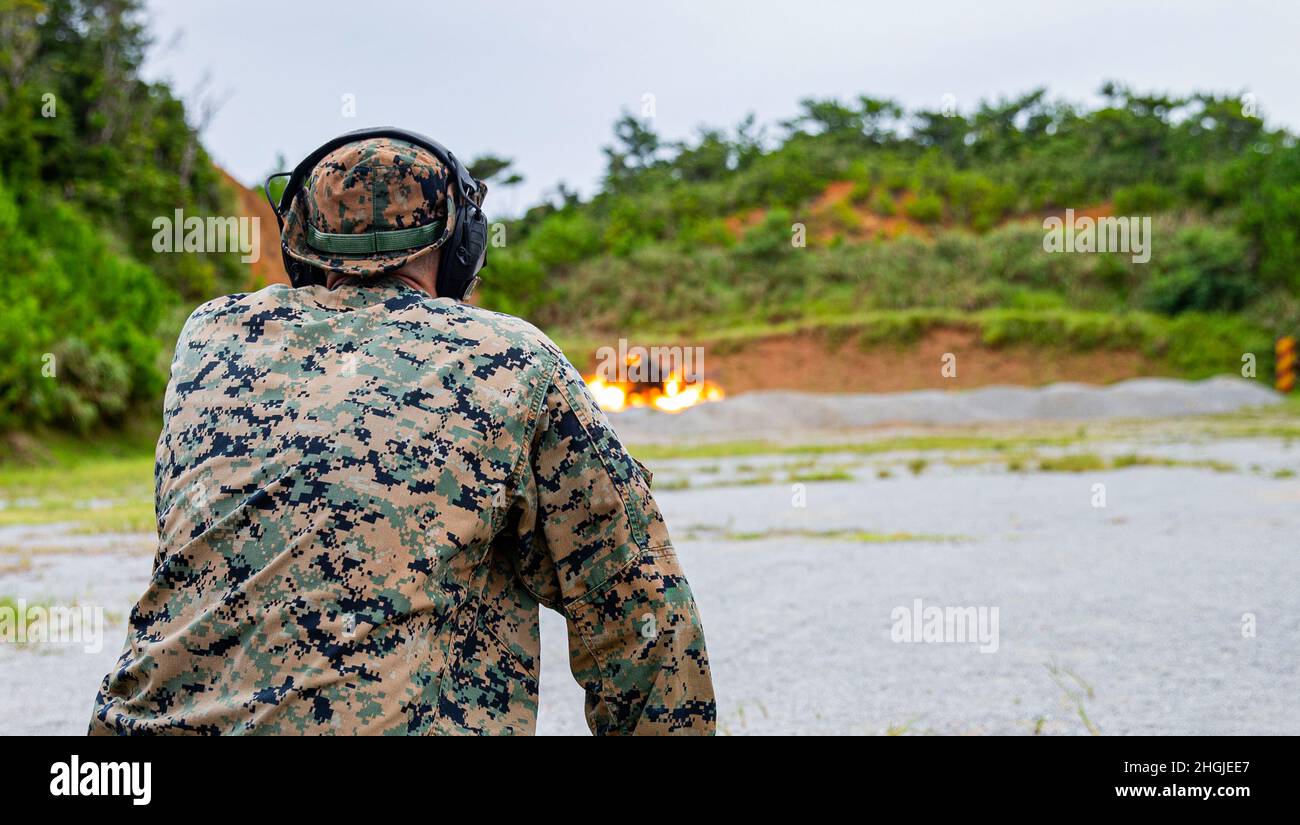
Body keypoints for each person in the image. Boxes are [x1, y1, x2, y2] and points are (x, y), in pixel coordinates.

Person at [89, 133, 715, 735]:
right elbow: (640, 612)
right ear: (465, 247)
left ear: (302, 247)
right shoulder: (509, 357)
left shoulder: (212, 336)